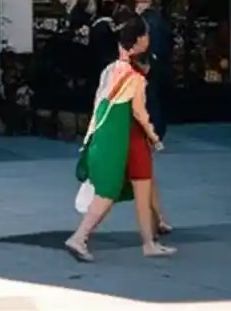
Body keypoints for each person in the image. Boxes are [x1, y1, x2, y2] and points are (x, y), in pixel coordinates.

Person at [65, 15, 174, 262]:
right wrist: (155, 137)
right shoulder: (134, 77)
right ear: (137, 42)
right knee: (113, 190)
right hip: (125, 137)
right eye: (145, 35)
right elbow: (140, 113)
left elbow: (99, 104)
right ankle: (81, 237)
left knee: (140, 184)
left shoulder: (111, 70)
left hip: (117, 137)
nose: (148, 38)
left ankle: (150, 241)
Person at [132, 0, 173, 141]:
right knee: (155, 98)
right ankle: (156, 130)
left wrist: (147, 60)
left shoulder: (146, 20)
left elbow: (150, 42)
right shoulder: (157, 18)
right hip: (158, 62)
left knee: (150, 98)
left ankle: (152, 131)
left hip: (149, 63)